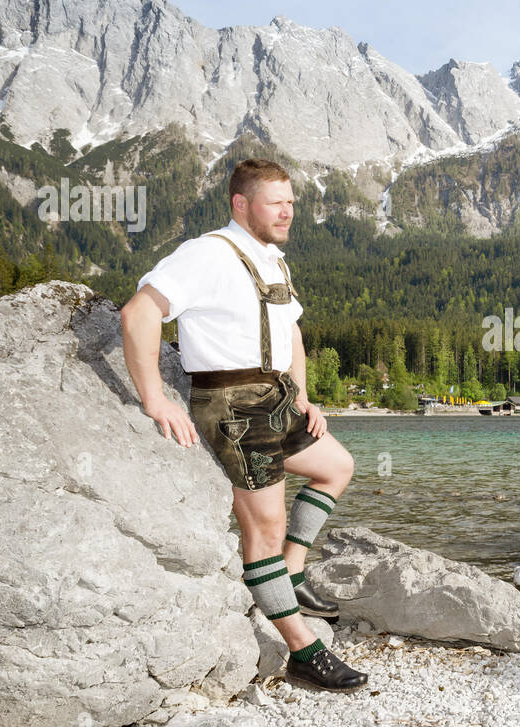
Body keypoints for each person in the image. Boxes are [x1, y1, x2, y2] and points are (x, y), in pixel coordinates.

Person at [120, 158, 367, 693]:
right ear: (241, 204)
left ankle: (292, 573)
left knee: (335, 467)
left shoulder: (272, 259)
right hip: (231, 404)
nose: (288, 211)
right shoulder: (206, 253)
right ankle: (303, 650)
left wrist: (302, 396)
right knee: (264, 527)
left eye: (292, 202)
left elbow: (293, 333)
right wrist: (154, 398)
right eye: (276, 202)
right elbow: (138, 312)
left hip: (276, 396)